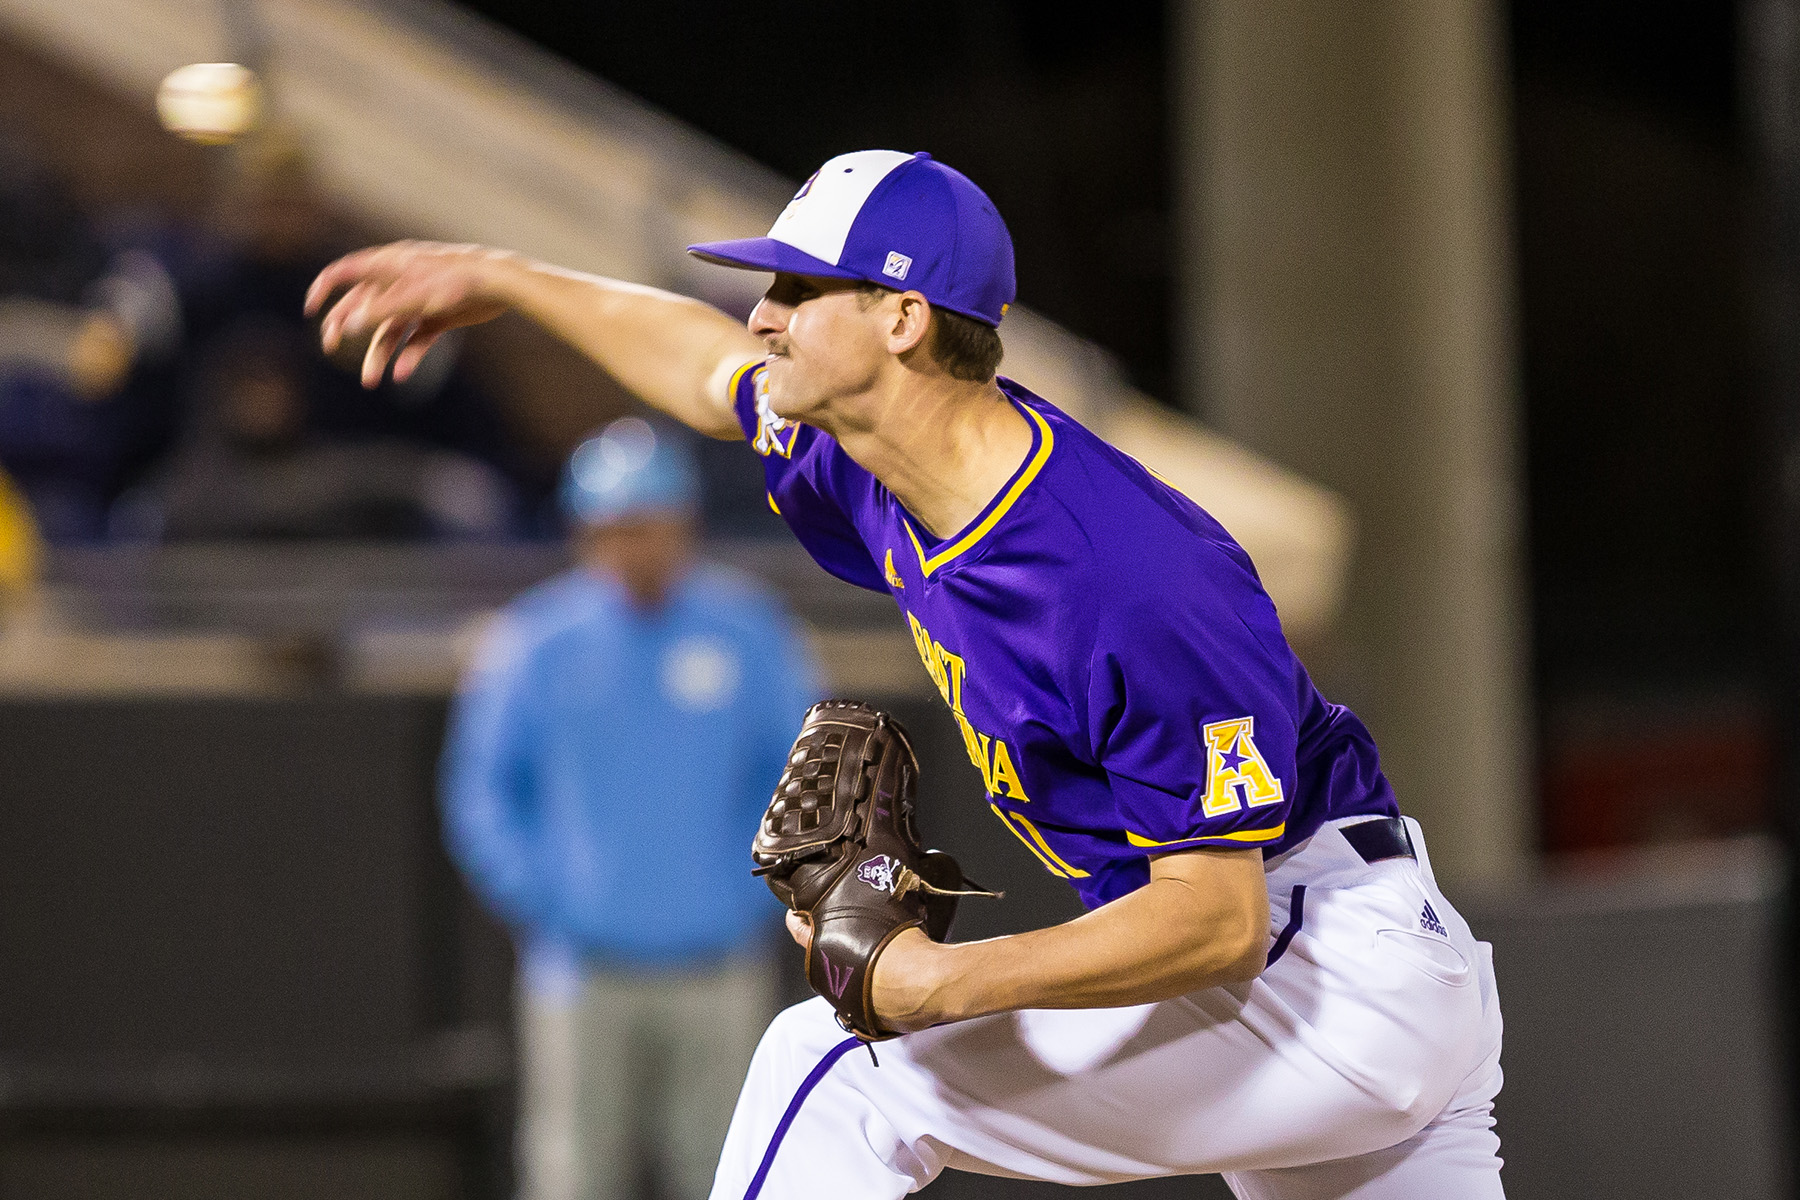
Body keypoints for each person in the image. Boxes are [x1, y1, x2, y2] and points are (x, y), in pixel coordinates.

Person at [310, 149, 1506, 1199]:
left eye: (796, 287)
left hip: (1325, 965)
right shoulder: (871, 464)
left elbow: (1217, 918)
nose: (763, 316)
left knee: (833, 1075)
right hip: (1339, 966)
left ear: (900, 317)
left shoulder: (1132, 579)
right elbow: (698, 369)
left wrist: (945, 982)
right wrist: (506, 278)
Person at [440, 417, 821, 1200]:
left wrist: (752, 893)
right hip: (581, 969)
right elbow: (481, 787)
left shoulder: (747, 632)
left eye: (649, 526)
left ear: (684, 525)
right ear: (586, 533)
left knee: (730, 1171)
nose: (635, 548)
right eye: (615, 529)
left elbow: (805, 777)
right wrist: (546, 897)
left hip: (716, 963)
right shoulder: (538, 641)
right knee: (573, 1176)